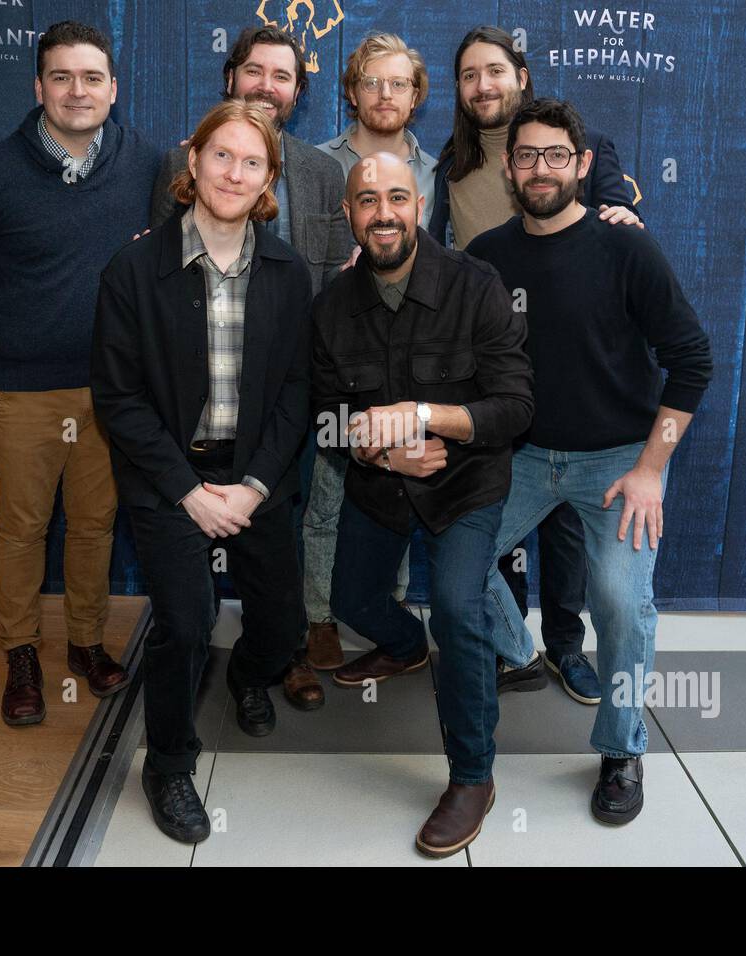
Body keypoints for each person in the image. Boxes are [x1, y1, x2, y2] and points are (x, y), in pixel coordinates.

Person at [467, 99, 712, 825]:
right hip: (518, 455)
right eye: (525, 156)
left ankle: (621, 748)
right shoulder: (487, 255)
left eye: (555, 155)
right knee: (457, 562)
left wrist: (651, 468)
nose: (539, 169)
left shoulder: (626, 247)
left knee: (619, 603)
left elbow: (692, 360)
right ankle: (520, 651)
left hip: (614, 462)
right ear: (509, 169)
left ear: (580, 165)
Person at [92, 101, 312, 844]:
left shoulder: (287, 270)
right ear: (193, 162)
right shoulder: (135, 267)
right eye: (222, 155)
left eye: (253, 162)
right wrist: (188, 491)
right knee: (184, 622)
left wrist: (250, 488)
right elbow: (118, 399)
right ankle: (169, 765)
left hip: (257, 474)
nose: (235, 172)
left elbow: (295, 393)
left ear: (269, 178)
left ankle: (249, 676)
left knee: (284, 628)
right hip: (166, 476)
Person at [0, 21, 159, 726]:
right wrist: (1, 336)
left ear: (113, 89)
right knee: (23, 529)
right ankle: (21, 653)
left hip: (114, 389)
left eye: (91, 77)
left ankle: (86, 644)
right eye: (61, 77)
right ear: (38, 87)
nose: (77, 91)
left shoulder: (149, 166)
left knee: (95, 526)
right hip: (25, 387)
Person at [312, 152, 533, 858]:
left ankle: (473, 776)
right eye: (367, 198)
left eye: (398, 196)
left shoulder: (477, 286)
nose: (383, 212)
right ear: (348, 214)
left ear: (421, 205)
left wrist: (423, 415)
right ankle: (402, 648)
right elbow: (322, 416)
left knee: (459, 612)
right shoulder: (330, 307)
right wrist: (380, 448)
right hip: (379, 484)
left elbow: (515, 408)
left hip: (463, 486)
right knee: (350, 597)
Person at [429, 24, 646, 701]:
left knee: (569, 526)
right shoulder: (452, 164)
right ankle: (508, 646)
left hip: (571, 359)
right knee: (498, 506)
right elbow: (440, 249)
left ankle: (565, 648)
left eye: (495, 70)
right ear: (460, 90)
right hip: (494, 362)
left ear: (521, 75)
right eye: (469, 75)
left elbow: (616, 206)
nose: (483, 85)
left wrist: (619, 210)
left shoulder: (576, 146)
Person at [149, 25, 351, 710]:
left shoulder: (323, 172)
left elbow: (335, 284)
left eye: (283, 76)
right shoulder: (185, 160)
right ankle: (196, 655)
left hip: (290, 397)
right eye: (255, 71)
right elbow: (158, 288)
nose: (268, 85)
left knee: (282, 539)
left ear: (298, 90)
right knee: (188, 580)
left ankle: (279, 657)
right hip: (201, 399)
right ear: (231, 77)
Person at [302, 32, 438, 674]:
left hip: (415, 361)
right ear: (351, 91)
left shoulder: (440, 171)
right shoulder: (317, 162)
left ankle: (391, 616)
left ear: (416, 97)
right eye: (372, 82)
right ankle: (321, 618)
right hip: (341, 354)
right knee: (329, 491)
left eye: (400, 83)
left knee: (407, 482)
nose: (385, 94)